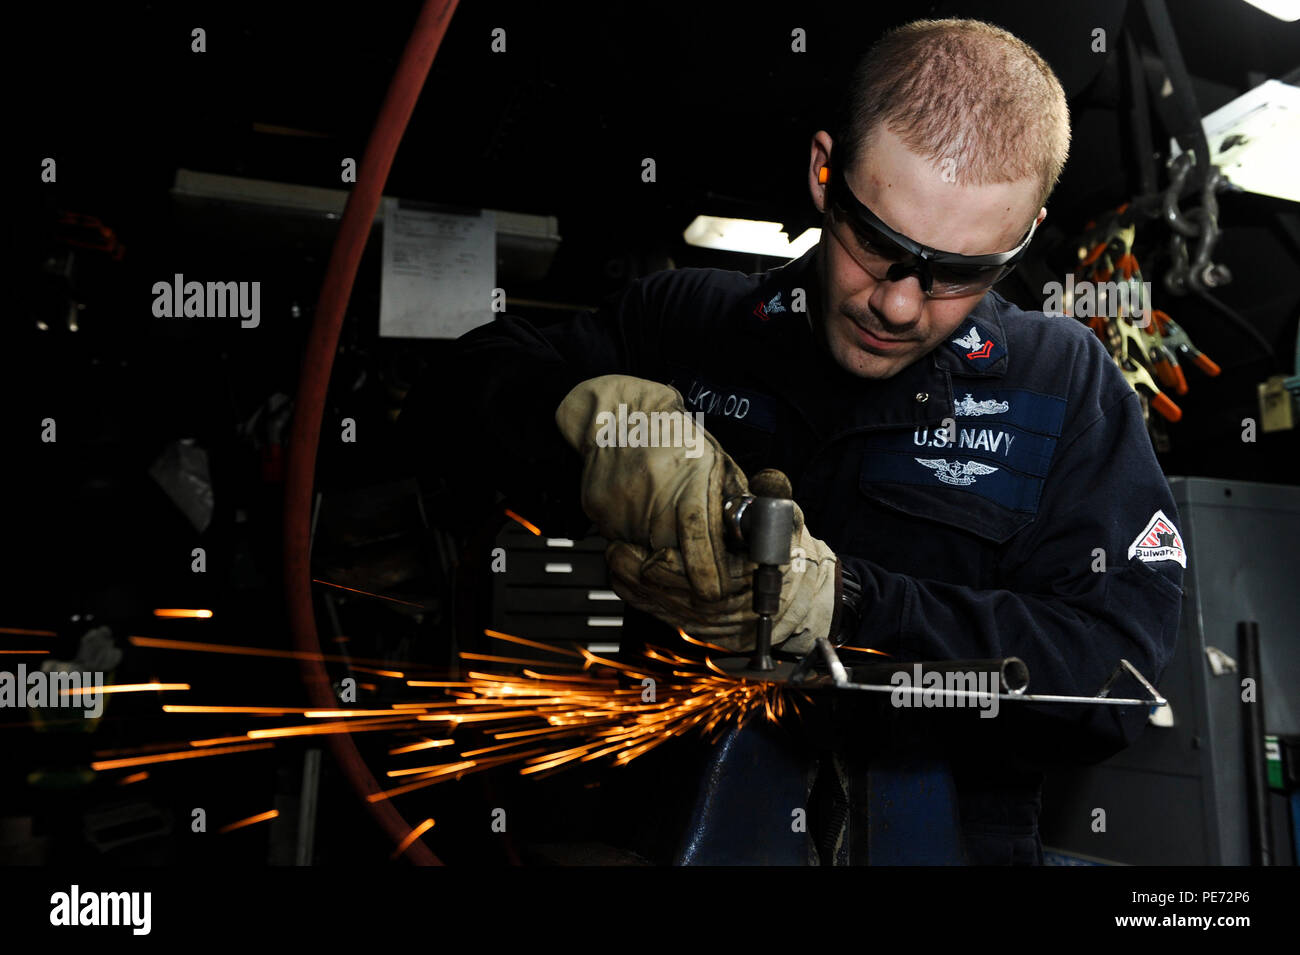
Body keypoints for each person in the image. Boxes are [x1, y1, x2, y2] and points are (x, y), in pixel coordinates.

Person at [401, 18, 1184, 864]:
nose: (899, 304)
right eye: (878, 245)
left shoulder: (1062, 386)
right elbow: (447, 404)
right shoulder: (691, 322)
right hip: (677, 830)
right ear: (823, 172)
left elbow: (1114, 688)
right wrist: (581, 417)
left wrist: (850, 607)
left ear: (1025, 233)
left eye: (959, 271)